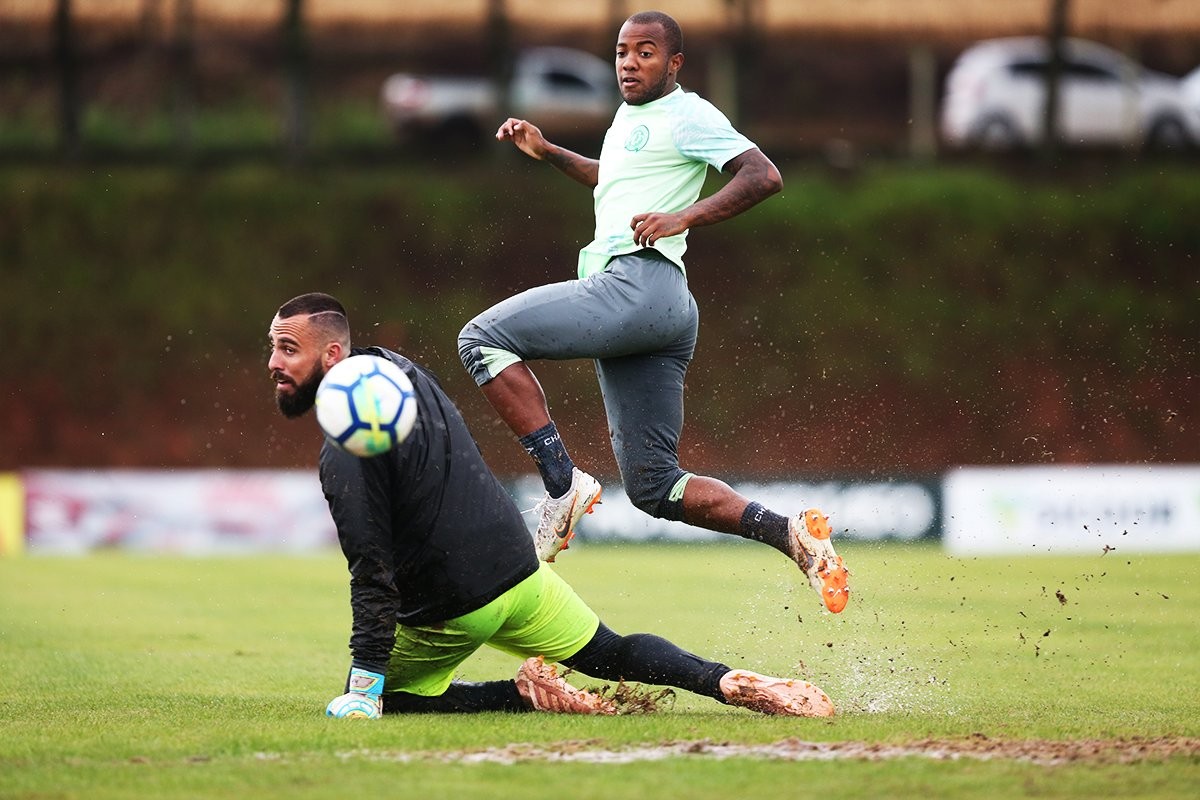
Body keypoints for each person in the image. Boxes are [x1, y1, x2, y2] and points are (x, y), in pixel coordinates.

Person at [268, 292, 835, 719]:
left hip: (452, 604)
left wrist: (364, 686)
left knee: (384, 695)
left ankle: (518, 694)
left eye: (288, 349)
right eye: (273, 347)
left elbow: (371, 570)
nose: (273, 362)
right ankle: (733, 683)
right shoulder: (396, 367)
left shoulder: (346, 452)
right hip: (517, 566)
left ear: (333, 354)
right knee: (612, 651)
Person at [457, 10, 848, 613]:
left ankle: (562, 484)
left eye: (645, 52)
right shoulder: (630, 118)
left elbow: (764, 175)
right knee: (654, 488)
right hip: (661, 313)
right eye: (621, 52)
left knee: (480, 338)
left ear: (674, 63)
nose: (629, 63)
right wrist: (549, 151)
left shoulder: (687, 113)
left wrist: (685, 216)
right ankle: (791, 534)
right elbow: (611, 180)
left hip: (637, 286)